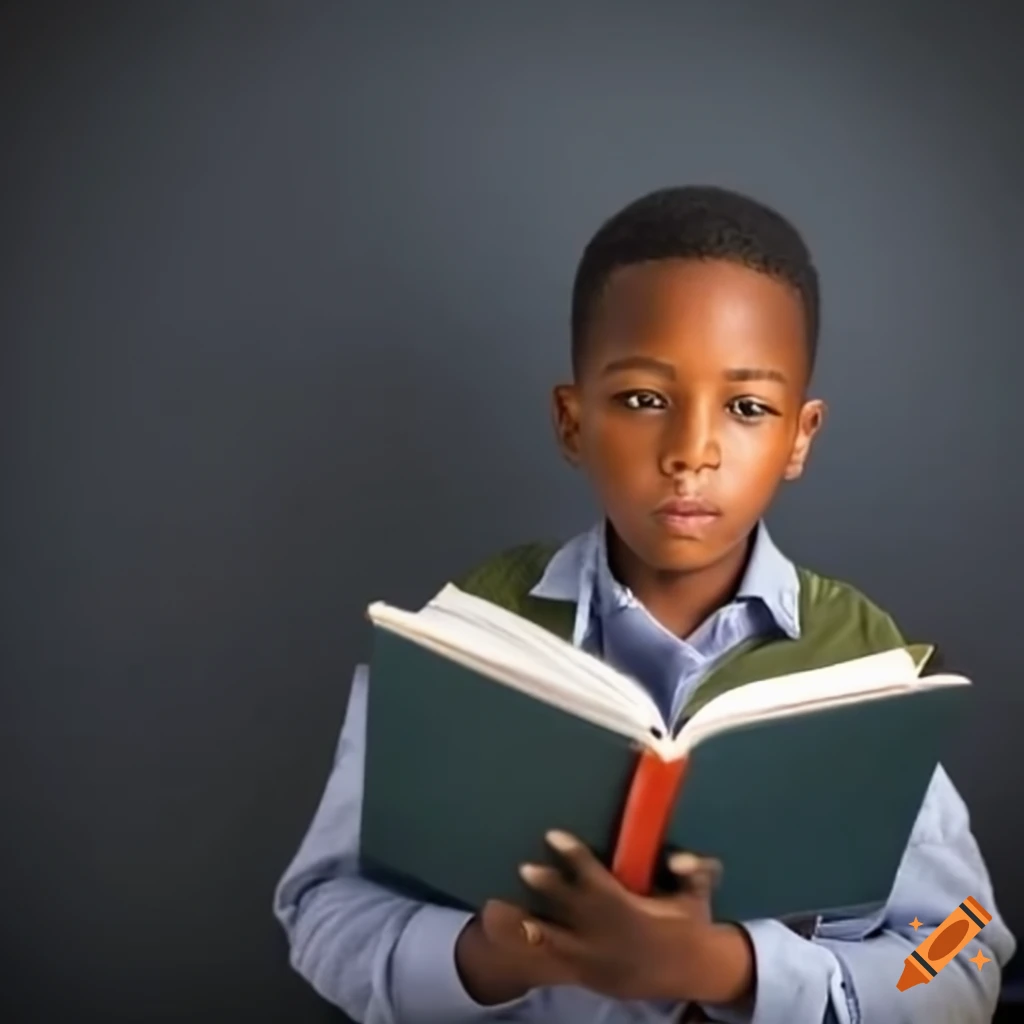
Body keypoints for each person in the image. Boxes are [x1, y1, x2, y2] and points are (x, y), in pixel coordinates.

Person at [273, 186, 1015, 1023]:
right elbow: (322, 911)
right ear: (572, 420)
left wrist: (733, 967)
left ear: (800, 435)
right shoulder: (460, 640)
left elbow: (962, 941)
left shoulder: (869, 668)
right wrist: (486, 955)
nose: (691, 453)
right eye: (642, 399)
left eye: (747, 408)